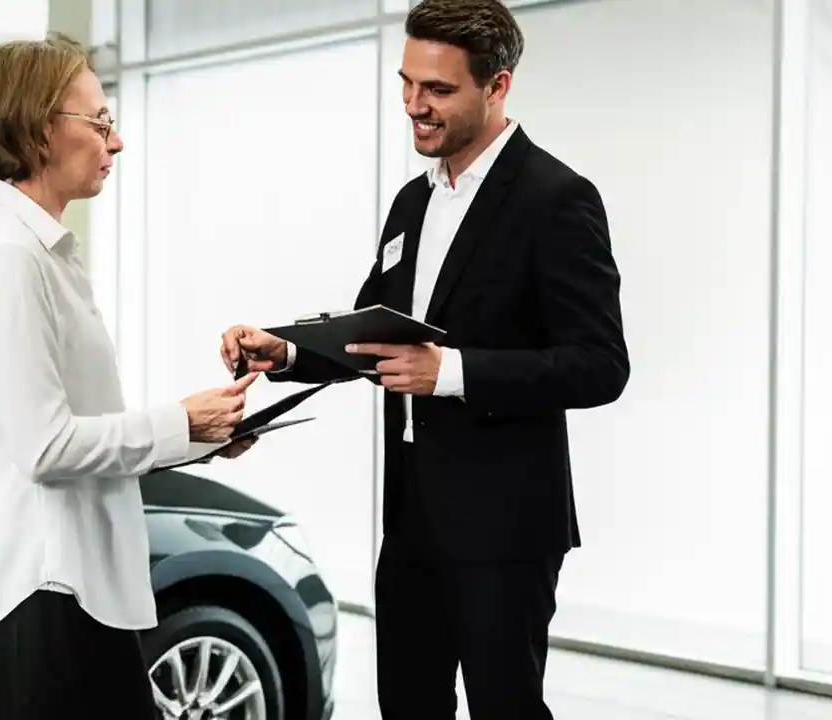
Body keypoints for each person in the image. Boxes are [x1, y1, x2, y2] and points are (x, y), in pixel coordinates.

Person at [221, 1, 629, 717]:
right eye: (407, 84)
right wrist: (283, 350)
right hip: (411, 516)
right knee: (407, 704)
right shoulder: (414, 199)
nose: (415, 107)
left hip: (506, 524)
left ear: (497, 87)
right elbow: (370, 332)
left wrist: (454, 373)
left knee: (506, 707)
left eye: (437, 91)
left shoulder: (557, 200)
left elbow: (601, 364)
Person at [0, 35, 259, 720]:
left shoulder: (32, 250)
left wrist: (200, 434)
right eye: (100, 121)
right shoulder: (7, 258)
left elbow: (68, 423)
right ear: (39, 128)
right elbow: (45, 448)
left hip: (63, 590)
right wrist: (180, 423)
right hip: (38, 592)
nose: (116, 142)